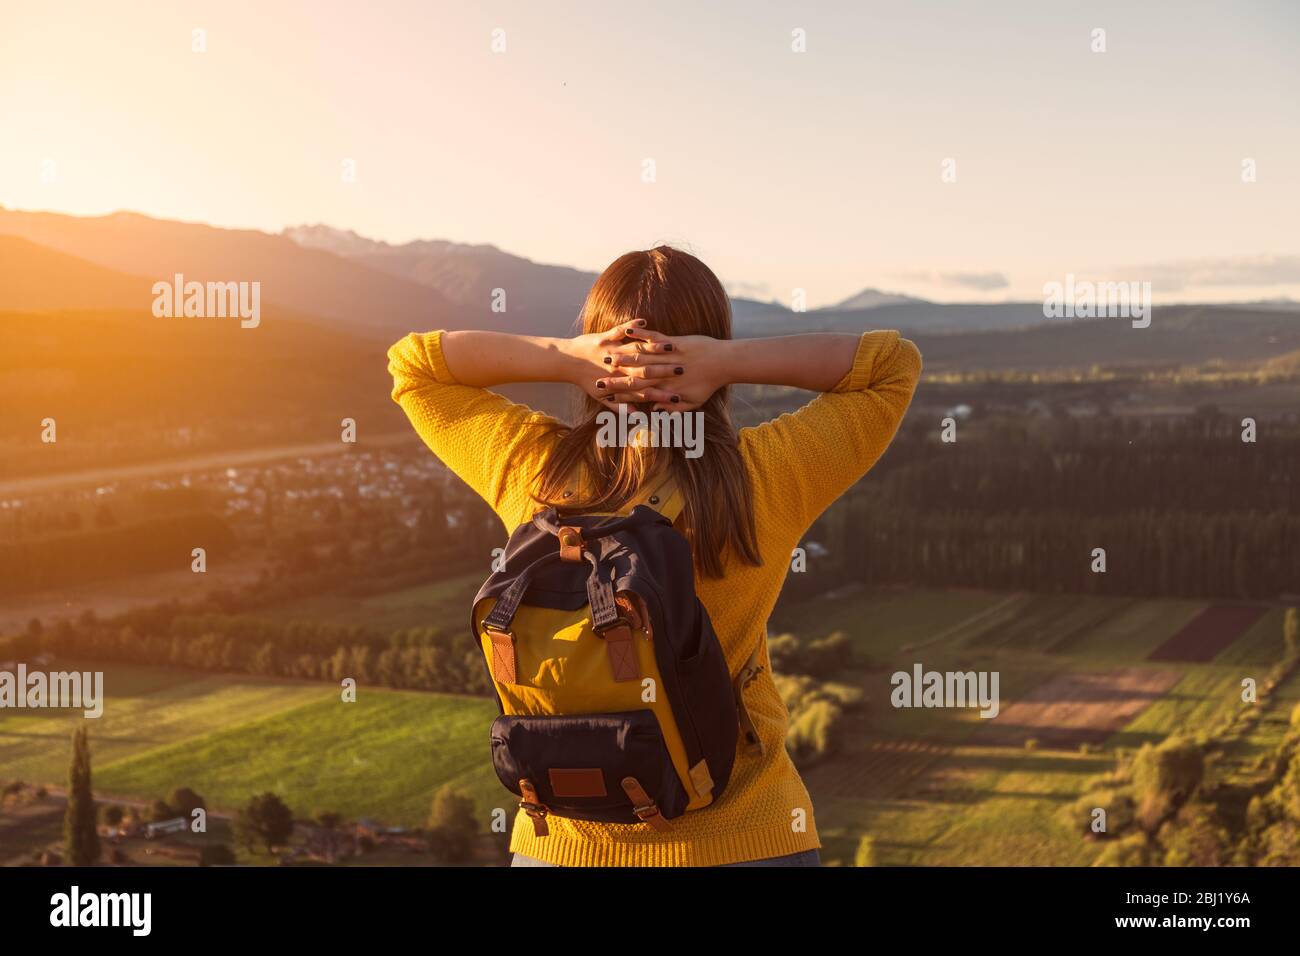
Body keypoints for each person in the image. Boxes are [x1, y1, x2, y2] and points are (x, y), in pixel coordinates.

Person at [387, 245, 922, 866]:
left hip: (566, 842)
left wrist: (569, 359)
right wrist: (726, 362)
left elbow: (413, 366)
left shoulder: (533, 469)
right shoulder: (764, 476)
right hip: (748, 836)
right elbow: (891, 365)